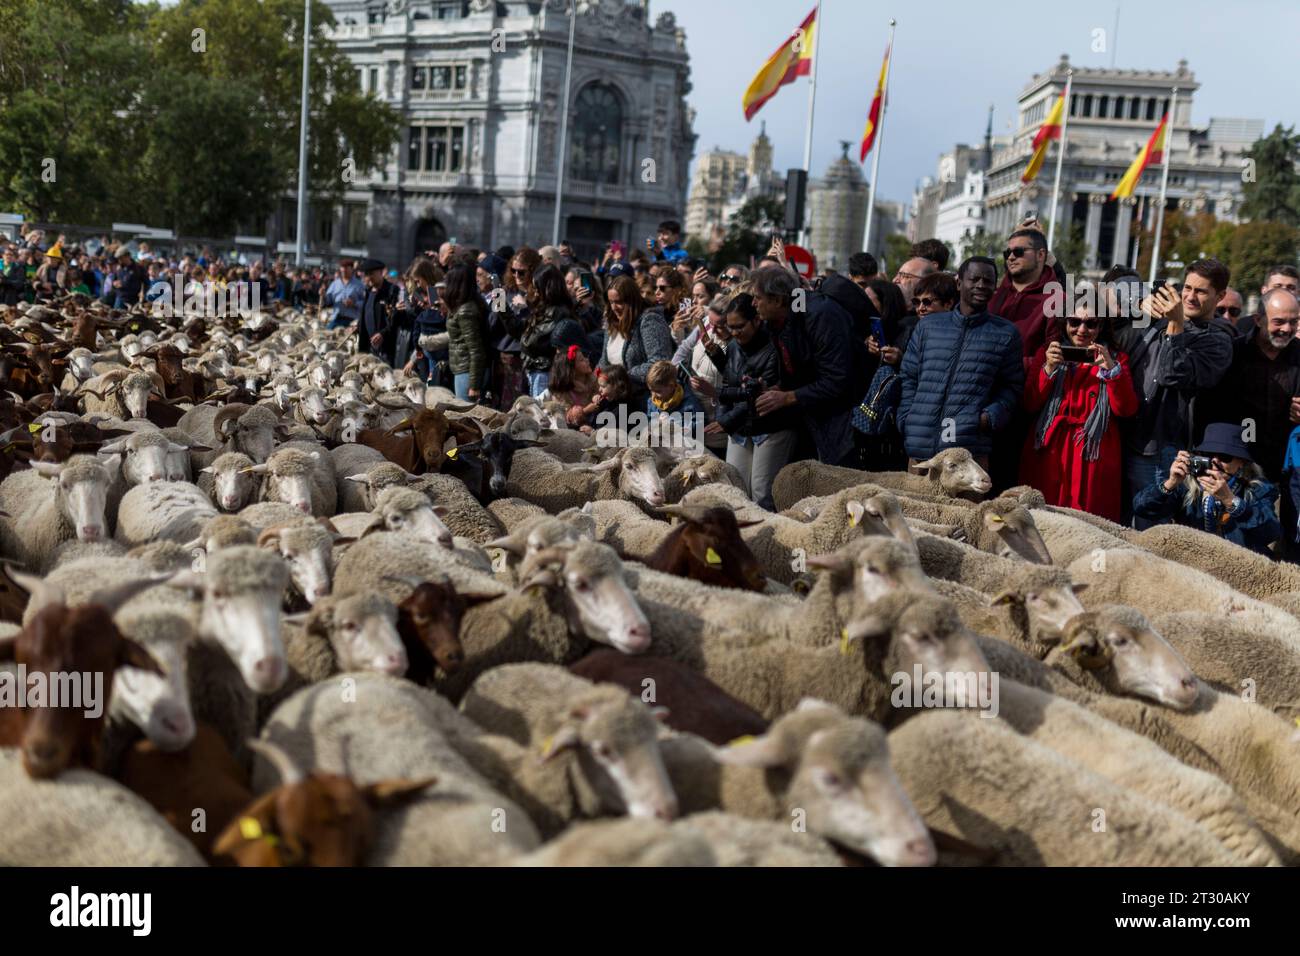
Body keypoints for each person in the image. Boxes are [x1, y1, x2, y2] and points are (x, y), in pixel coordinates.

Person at [1117, 258, 1234, 527]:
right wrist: (1137, 307)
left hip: (1163, 448)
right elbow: (1107, 324)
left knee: (1150, 525)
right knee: (1120, 520)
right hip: (1127, 435)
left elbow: (1171, 373)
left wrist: (1176, 325)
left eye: (1201, 291)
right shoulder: (1159, 318)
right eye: (1188, 288)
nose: (1190, 297)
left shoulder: (1218, 339)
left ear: (1220, 296)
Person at [1020, 291, 1138, 522]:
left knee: (1089, 522)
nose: (1082, 330)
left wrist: (1111, 371)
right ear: (1065, 323)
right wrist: (1048, 369)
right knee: (1044, 519)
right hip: (1050, 451)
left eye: (1091, 323)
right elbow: (1029, 403)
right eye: (1074, 322)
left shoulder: (1116, 358)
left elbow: (1126, 410)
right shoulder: (1048, 353)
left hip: (1093, 453)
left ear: (1101, 326)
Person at [898, 256, 1024, 469]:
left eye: (988, 281)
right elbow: (909, 376)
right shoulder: (928, 326)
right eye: (974, 279)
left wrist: (987, 418)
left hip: (969, 454)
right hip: (920, 449)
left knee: (966, 505)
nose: (981, 285)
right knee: (914, 503)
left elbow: (1012, 387)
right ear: (958, 283)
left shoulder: (1006, 334)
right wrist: (908, 418)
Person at [748, 265, 862, 466]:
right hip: (810, 410)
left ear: (777, 300)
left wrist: (788, 396)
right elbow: (797, 360)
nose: (753, 303)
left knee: (835, 478)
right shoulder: (784, 318)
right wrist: (779, 388)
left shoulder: (821, 316)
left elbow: (836, 379)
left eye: (757, 297)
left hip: (840, 414)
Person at [1132, 424, 1282, 556]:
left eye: (1225, 456)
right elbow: (1142, 508)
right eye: (1208, 455)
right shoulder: (1188, 485)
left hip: (1240, 566)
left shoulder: (1257, 489)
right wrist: (1170, 483)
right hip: (1195, 565)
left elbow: (1271, 532)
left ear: (1241, 464)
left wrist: (1231, 501)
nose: (1215, 462)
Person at [596, 274, 674, 413]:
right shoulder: (612, 323)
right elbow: (604, 361)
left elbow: (660, 362)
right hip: (615, 398)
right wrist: (599, 383)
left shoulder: (649, 320)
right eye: (610, 302)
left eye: (618, 302)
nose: (614, 307)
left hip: (643, 401)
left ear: (631, 301)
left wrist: (623, 378)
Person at [506, 264, 584, 398]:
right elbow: (517, 330)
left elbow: (529, 343)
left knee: (541, 417)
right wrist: (500, 303)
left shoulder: (557, 312)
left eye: (537, 288)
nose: (535, 292)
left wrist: (526, 311)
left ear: (547, 288)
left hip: (544, 373)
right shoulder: (544, 307)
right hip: (535, 372)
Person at [441, 263, 489, 401]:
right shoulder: (463, 306)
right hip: (464, 369)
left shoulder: (465, 311)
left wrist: (474, 385)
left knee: (465, 418)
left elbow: (476, 350)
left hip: (467, 372)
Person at [645, 360, 706, 449]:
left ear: (671, 386)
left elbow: (700, 423)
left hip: (683, 447)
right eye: (651, 390)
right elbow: (650, 419)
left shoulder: (688, 401)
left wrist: (675, 427)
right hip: (663, 446)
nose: (654, 394)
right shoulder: (652, 402)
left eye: (658, 391)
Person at [353, 258, 401, 361]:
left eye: (371, 274)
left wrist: (383, 333)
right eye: (366, 275)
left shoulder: (392, 291)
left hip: (386, 349)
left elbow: (395, 318)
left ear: (380, 272)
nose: (368, 278)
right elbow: (365, 314)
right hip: (369, 348)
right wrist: (358, 326)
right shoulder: (368, 292)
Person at [1236, 265, 1299, 335]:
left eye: (1291, 287)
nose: (1284, 291)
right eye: (1277, 286)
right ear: (1264, 291)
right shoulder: (1244, 326)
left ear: (1298, 293)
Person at [552, 345, 599, 427]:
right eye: (581, 360)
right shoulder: (562, 392)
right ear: (571, 369)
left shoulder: (594, 380)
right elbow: (567, 417)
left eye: (584, 357)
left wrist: (598, 397)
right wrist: (585, 411)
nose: (587, 360)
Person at [321, 259, 365, 330]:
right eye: (342, 268)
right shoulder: (335, 284)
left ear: (352, 269)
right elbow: (328, 301)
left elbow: (366, 303)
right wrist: (323, 295)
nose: (344, 270)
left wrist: (354, 304)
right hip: (337, 319)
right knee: (326, 334)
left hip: (353, 320)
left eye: (346, 268)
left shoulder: (359, 285)